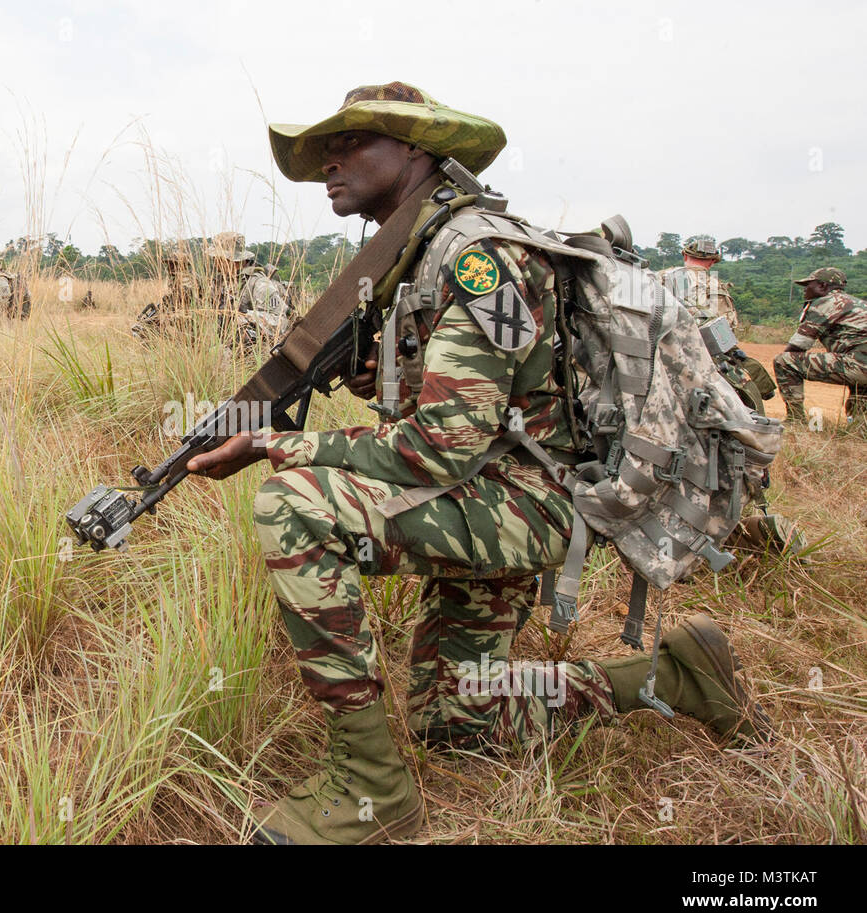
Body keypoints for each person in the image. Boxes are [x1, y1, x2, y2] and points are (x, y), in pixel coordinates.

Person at [183, 82, 769, 845]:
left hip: (524, 502)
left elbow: (439, 446)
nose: (331, 161)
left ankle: (369, 785)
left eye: (351, 141)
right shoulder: (419, 253)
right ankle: (673, 676)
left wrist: (273, 443)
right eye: (327, 147)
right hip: (488, 492)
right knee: (455, 713)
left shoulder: (477, 257)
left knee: (294, 503)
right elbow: (475, 410)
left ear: (417, 149)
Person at [658, 235, 775, 414]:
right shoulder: (717, 286)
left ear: (685, 256)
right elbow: (727, 330)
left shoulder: (662, 277)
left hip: (665, 346)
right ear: (712, 262)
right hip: (706, 352)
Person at [773, 267, 867, 424]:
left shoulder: (824, 303)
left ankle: (795, 420)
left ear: (822, 286)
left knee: (784, 361)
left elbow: (798, 346)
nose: (805, 290)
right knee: (860, 405)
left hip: (859, 365)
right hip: (861, 363)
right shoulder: (858, 303)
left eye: (808, 285)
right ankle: (859, 428)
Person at [204, 232, 293, 345]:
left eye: (218, 257)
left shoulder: (259, 283)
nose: (215, 262)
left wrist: (244, 317)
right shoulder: (221, 281)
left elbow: (280, 320)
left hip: (256, 348)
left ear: (231, 259)